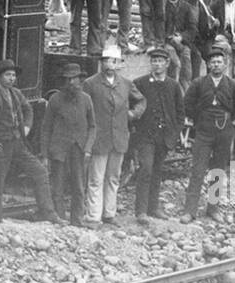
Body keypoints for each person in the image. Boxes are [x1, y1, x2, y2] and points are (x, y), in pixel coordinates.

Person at [0, 59, 59, 223]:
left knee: (40, 172)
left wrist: (27, 126)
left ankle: (48, 213)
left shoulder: (16, 93)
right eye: (8, 75)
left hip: (18, 144)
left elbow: (28, 109)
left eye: (13, 75)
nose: (12, 78)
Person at [181, 47, 235, 222]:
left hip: (224, 132)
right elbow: (187, 104)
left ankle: (213, 208)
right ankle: (190, 210)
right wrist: (198, 119)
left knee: (218, 170)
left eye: (219, 62)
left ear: (225, 65)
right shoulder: (198, 83)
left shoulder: (232, 85)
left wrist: (230, 120)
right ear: (208, 65)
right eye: (213, 62)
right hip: (203, 131)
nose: (216, 65)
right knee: (197, 170)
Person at [82, 45, 145, 226]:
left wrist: (133, 114)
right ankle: (93, 215)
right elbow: (84, 107)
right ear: (101, 63)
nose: (109, 64)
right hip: (99, 137)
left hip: (119, 137)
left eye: (113, 61)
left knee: (113, 177)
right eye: (106, 61)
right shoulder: (91, 83)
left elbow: (140, 100)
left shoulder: (125, 84)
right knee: (96, 177)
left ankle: (109, 214)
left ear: (118, 63)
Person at [130, 48, 187, 222]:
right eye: (154, 61)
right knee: (145, 169)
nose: (157, 64)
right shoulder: (140, 83)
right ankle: (140, 211)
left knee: (157, 171)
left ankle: (153, 208)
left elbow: (179, 112)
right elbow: (132, 107)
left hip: (164, 136)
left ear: (167, 63)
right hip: (146, 135)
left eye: (160, 61)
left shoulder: (173, 85)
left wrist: (175, 132)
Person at [41, 62, 97, 225]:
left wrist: (88, 148)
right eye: (68, 79)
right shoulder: (55, 99)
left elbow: (93, 126)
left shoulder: (86, 99)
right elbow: (46, 128)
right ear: (63, 81)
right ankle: (59, 218)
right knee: (57, 187)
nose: (71, 82)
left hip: (79, 150)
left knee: (79, 187)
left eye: (74, 79)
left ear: (80, 80)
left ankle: (77, 220)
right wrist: (44, 154)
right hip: (59, 149)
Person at [166, 0, 213, 87]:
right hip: (167, 41)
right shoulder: (163, 4)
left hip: (186, 41)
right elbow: (158, 26)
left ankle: (191, 86)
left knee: (190, 55)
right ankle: (175, 89)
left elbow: (192, 28)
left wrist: (181, 37)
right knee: (176, 62)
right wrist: (169, 37)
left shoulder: (187, 6)